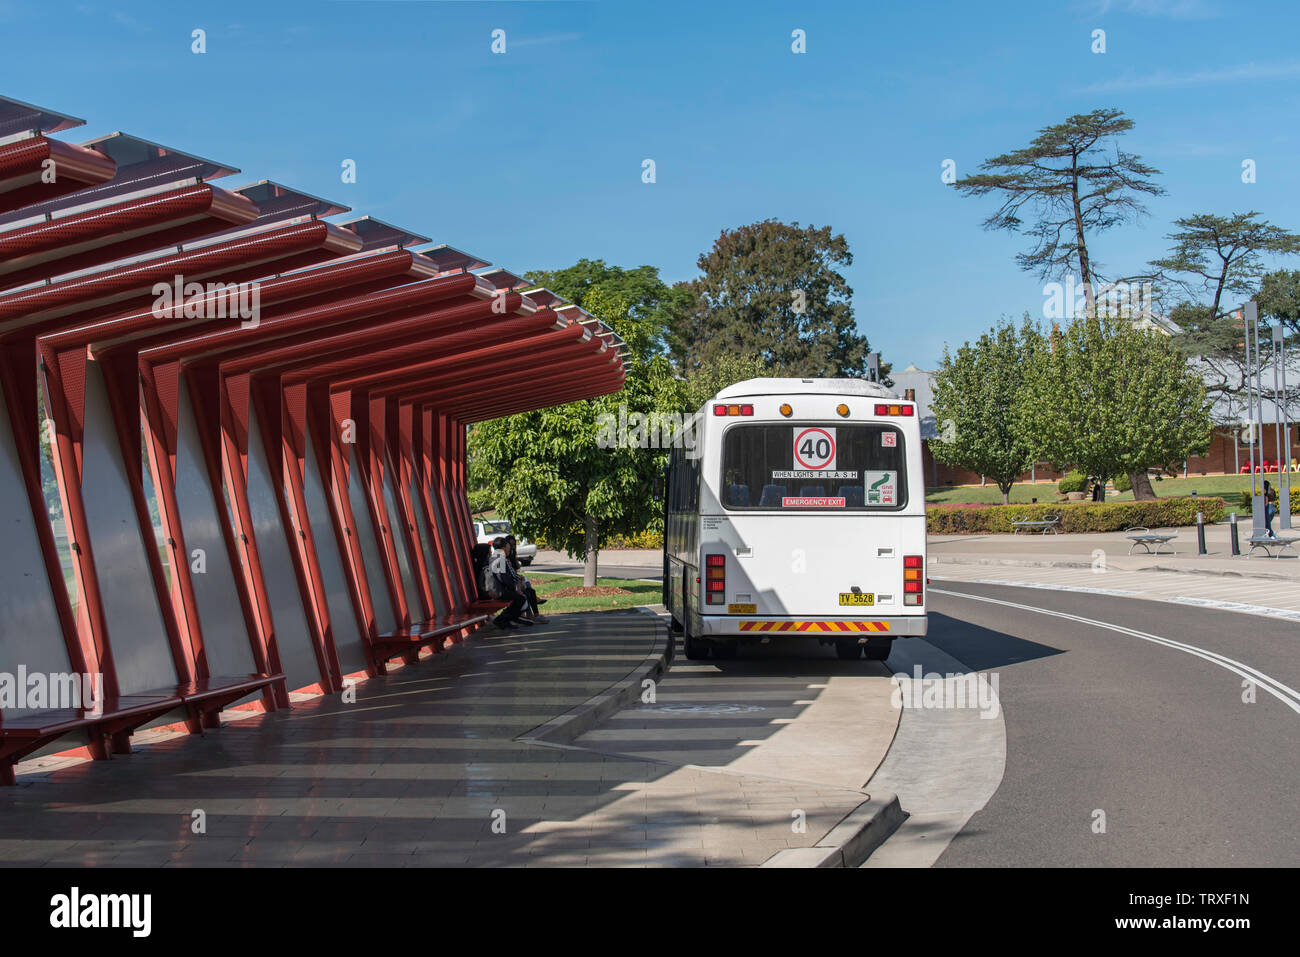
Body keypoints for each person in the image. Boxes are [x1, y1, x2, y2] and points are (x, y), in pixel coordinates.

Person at [488, 537, 527, 628]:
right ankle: (502, 619)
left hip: (496, 589)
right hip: (499, 591)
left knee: (520, 597)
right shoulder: (500, 558)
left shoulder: (494, 557)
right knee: (521, 598)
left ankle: (505, 619)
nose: (510, 547)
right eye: (508, 545)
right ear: (503, 548)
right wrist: (514, 588)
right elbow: (502, 577)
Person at [507, 535, 548, 623]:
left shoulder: (511, 555)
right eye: (510, 545)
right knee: (527, 590)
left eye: (514, 545)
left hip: (515, 581)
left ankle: (533, 614)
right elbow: (508, 575)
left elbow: (515, 568)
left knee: (529, 589)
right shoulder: (504, 559)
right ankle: (531, 613)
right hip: (511, 586)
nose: (512, 547)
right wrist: (518, 580)